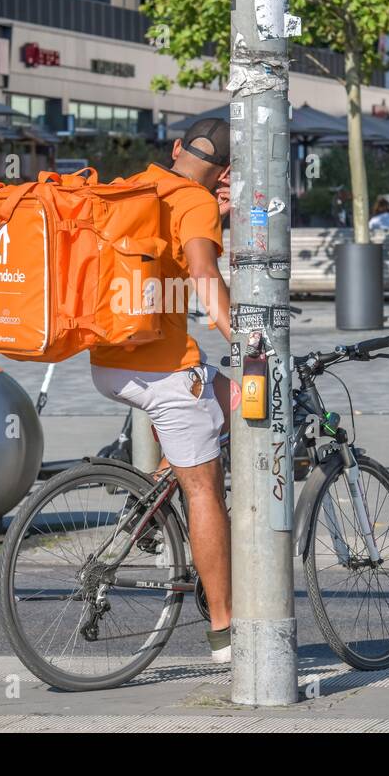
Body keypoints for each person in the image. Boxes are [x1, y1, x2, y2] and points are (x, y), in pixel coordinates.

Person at [89, 117, 236, 664]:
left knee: (232, 404)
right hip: (164, 370)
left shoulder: (133, 187)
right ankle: (226, 631)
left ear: (176, 148)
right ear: (226, 173)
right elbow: (200, 272)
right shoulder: (196, 204)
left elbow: (163, 256)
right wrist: (241, 335)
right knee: (206, 490)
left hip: (108, 361)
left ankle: (151, 501)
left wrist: (213, 216)